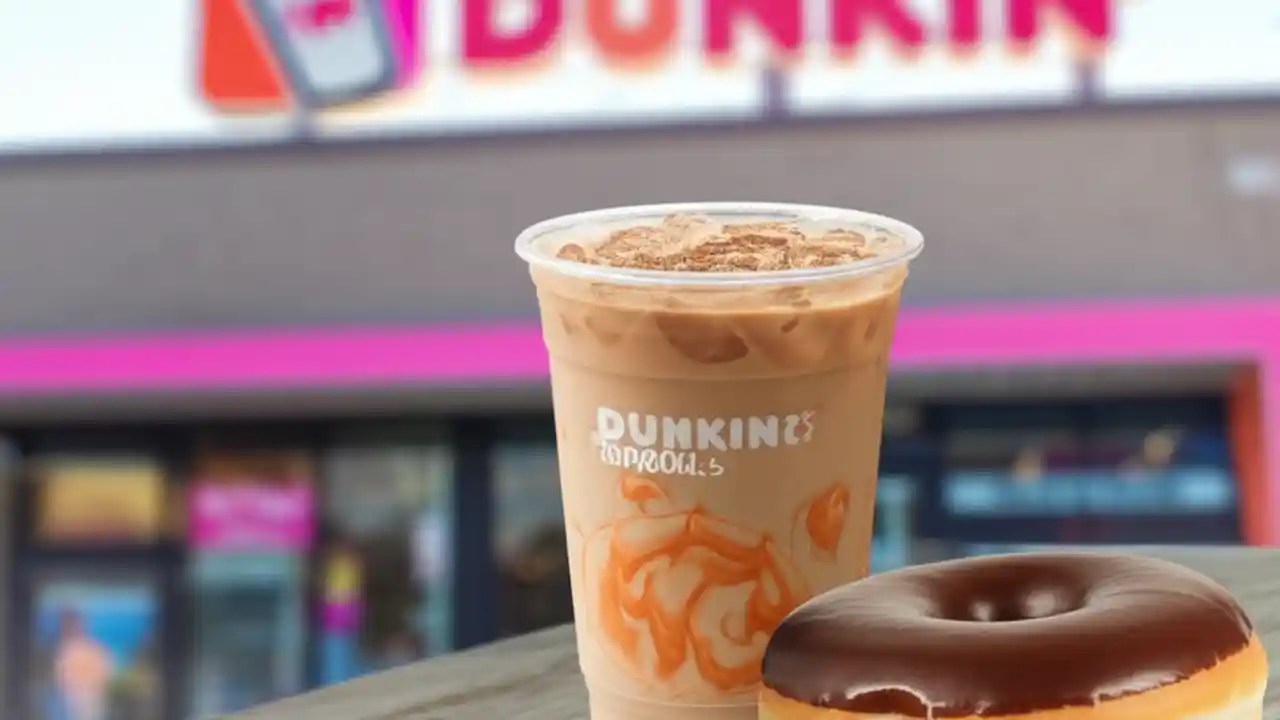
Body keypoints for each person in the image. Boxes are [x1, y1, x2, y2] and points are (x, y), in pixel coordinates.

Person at [52, 610, 113, 720]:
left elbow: (103, 673)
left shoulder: (95, 649)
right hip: (72, 699)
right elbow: (61, 677)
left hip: (90, 697)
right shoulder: (65, 650)